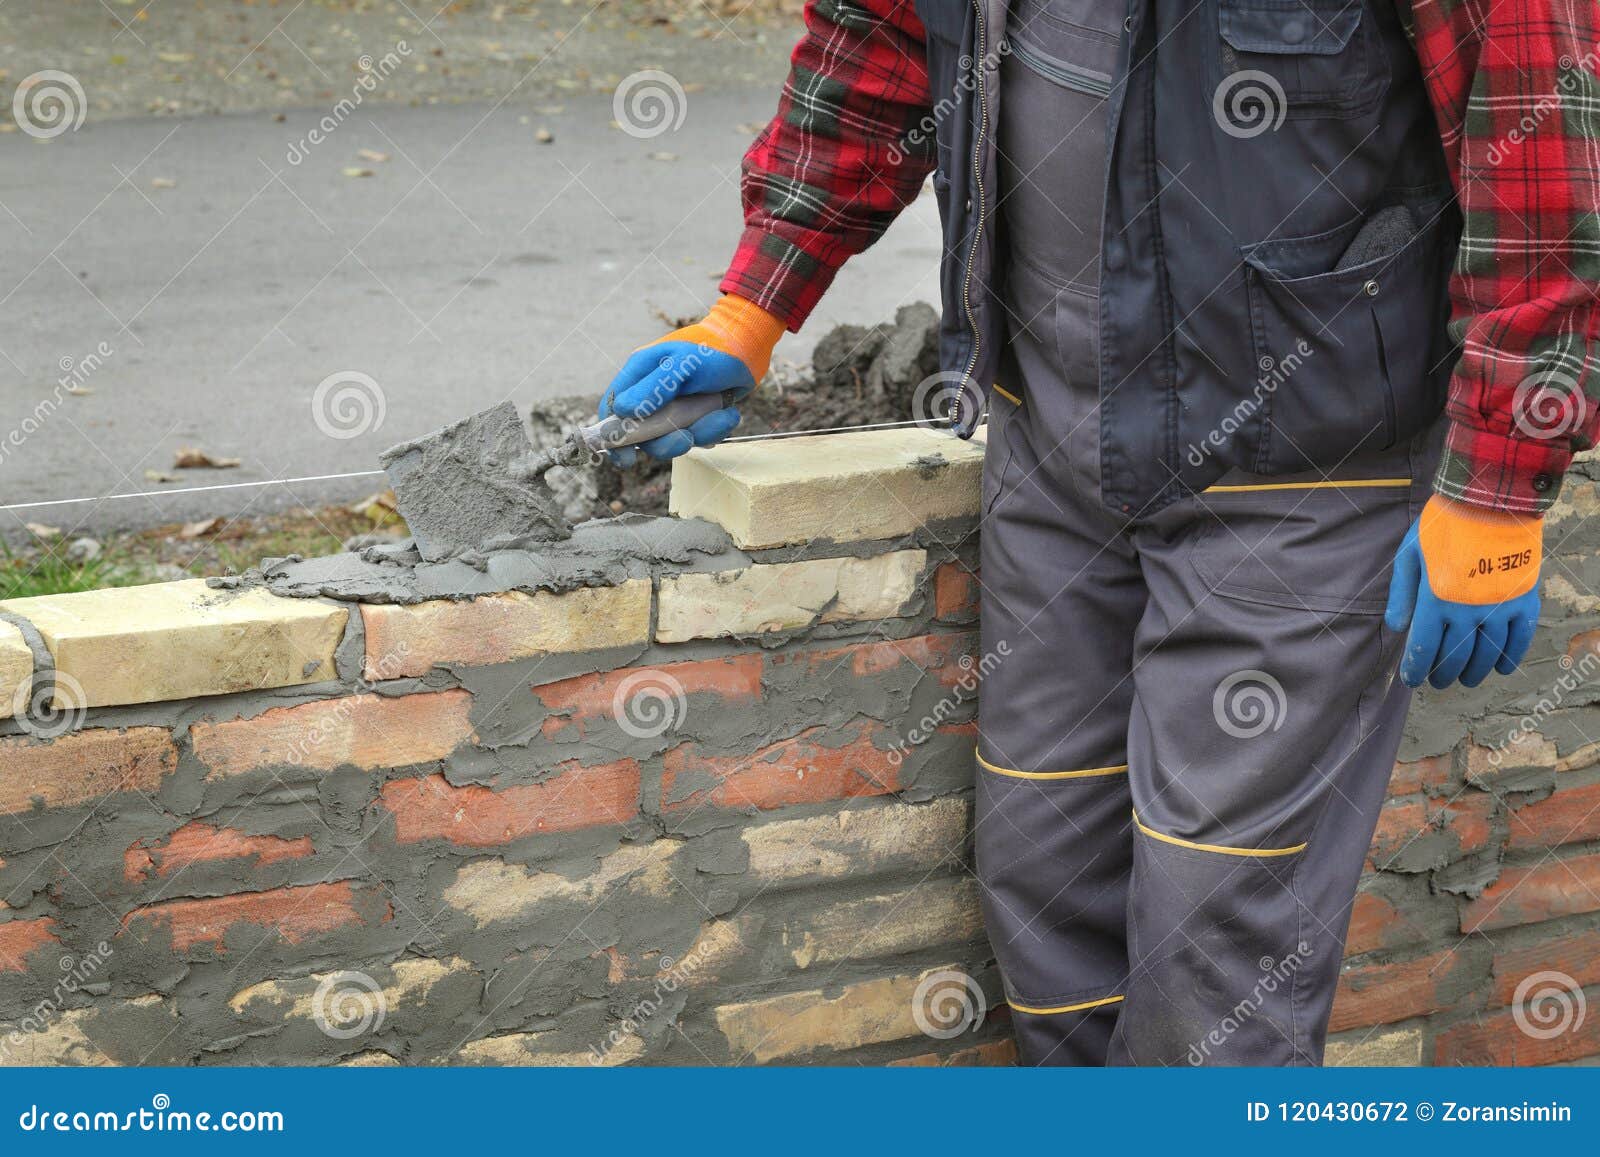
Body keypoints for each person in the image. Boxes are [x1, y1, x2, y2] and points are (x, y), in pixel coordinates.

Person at [597, 0, 1598, 1065]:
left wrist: (1494, 485)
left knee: (1213, 948)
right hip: (1056, 448)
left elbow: (1545, 146)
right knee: (1043, 889)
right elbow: (878, 44)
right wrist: (751, 308)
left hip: (1306, 473)